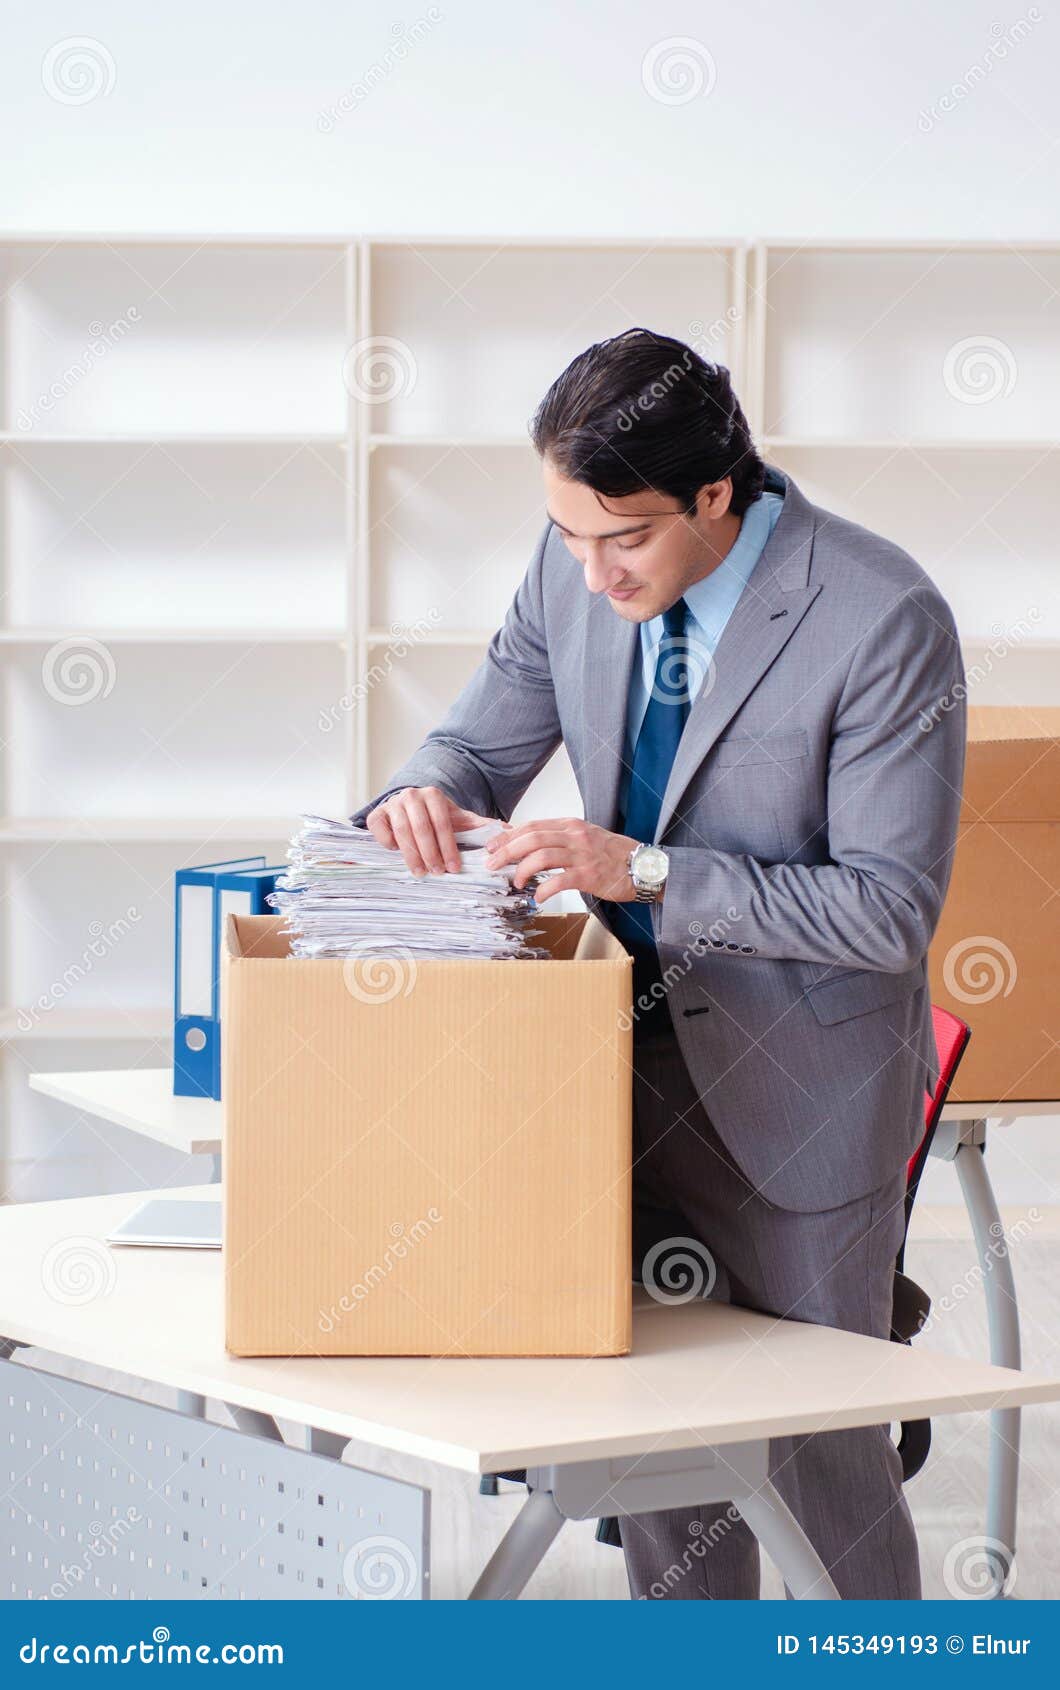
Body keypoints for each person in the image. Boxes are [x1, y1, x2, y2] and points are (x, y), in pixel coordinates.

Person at [350, 328, 966, 1599]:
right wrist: (419, 792)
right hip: (598, 1074)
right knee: (658, 1469)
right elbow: (480, 740)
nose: (590, 571)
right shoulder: (574, 558)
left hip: (797, 1096)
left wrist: (645, 870)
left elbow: (887, 914)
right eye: (568, 536)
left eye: (622, 538)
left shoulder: (878, 615)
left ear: (714, 495)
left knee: (819, 1467)